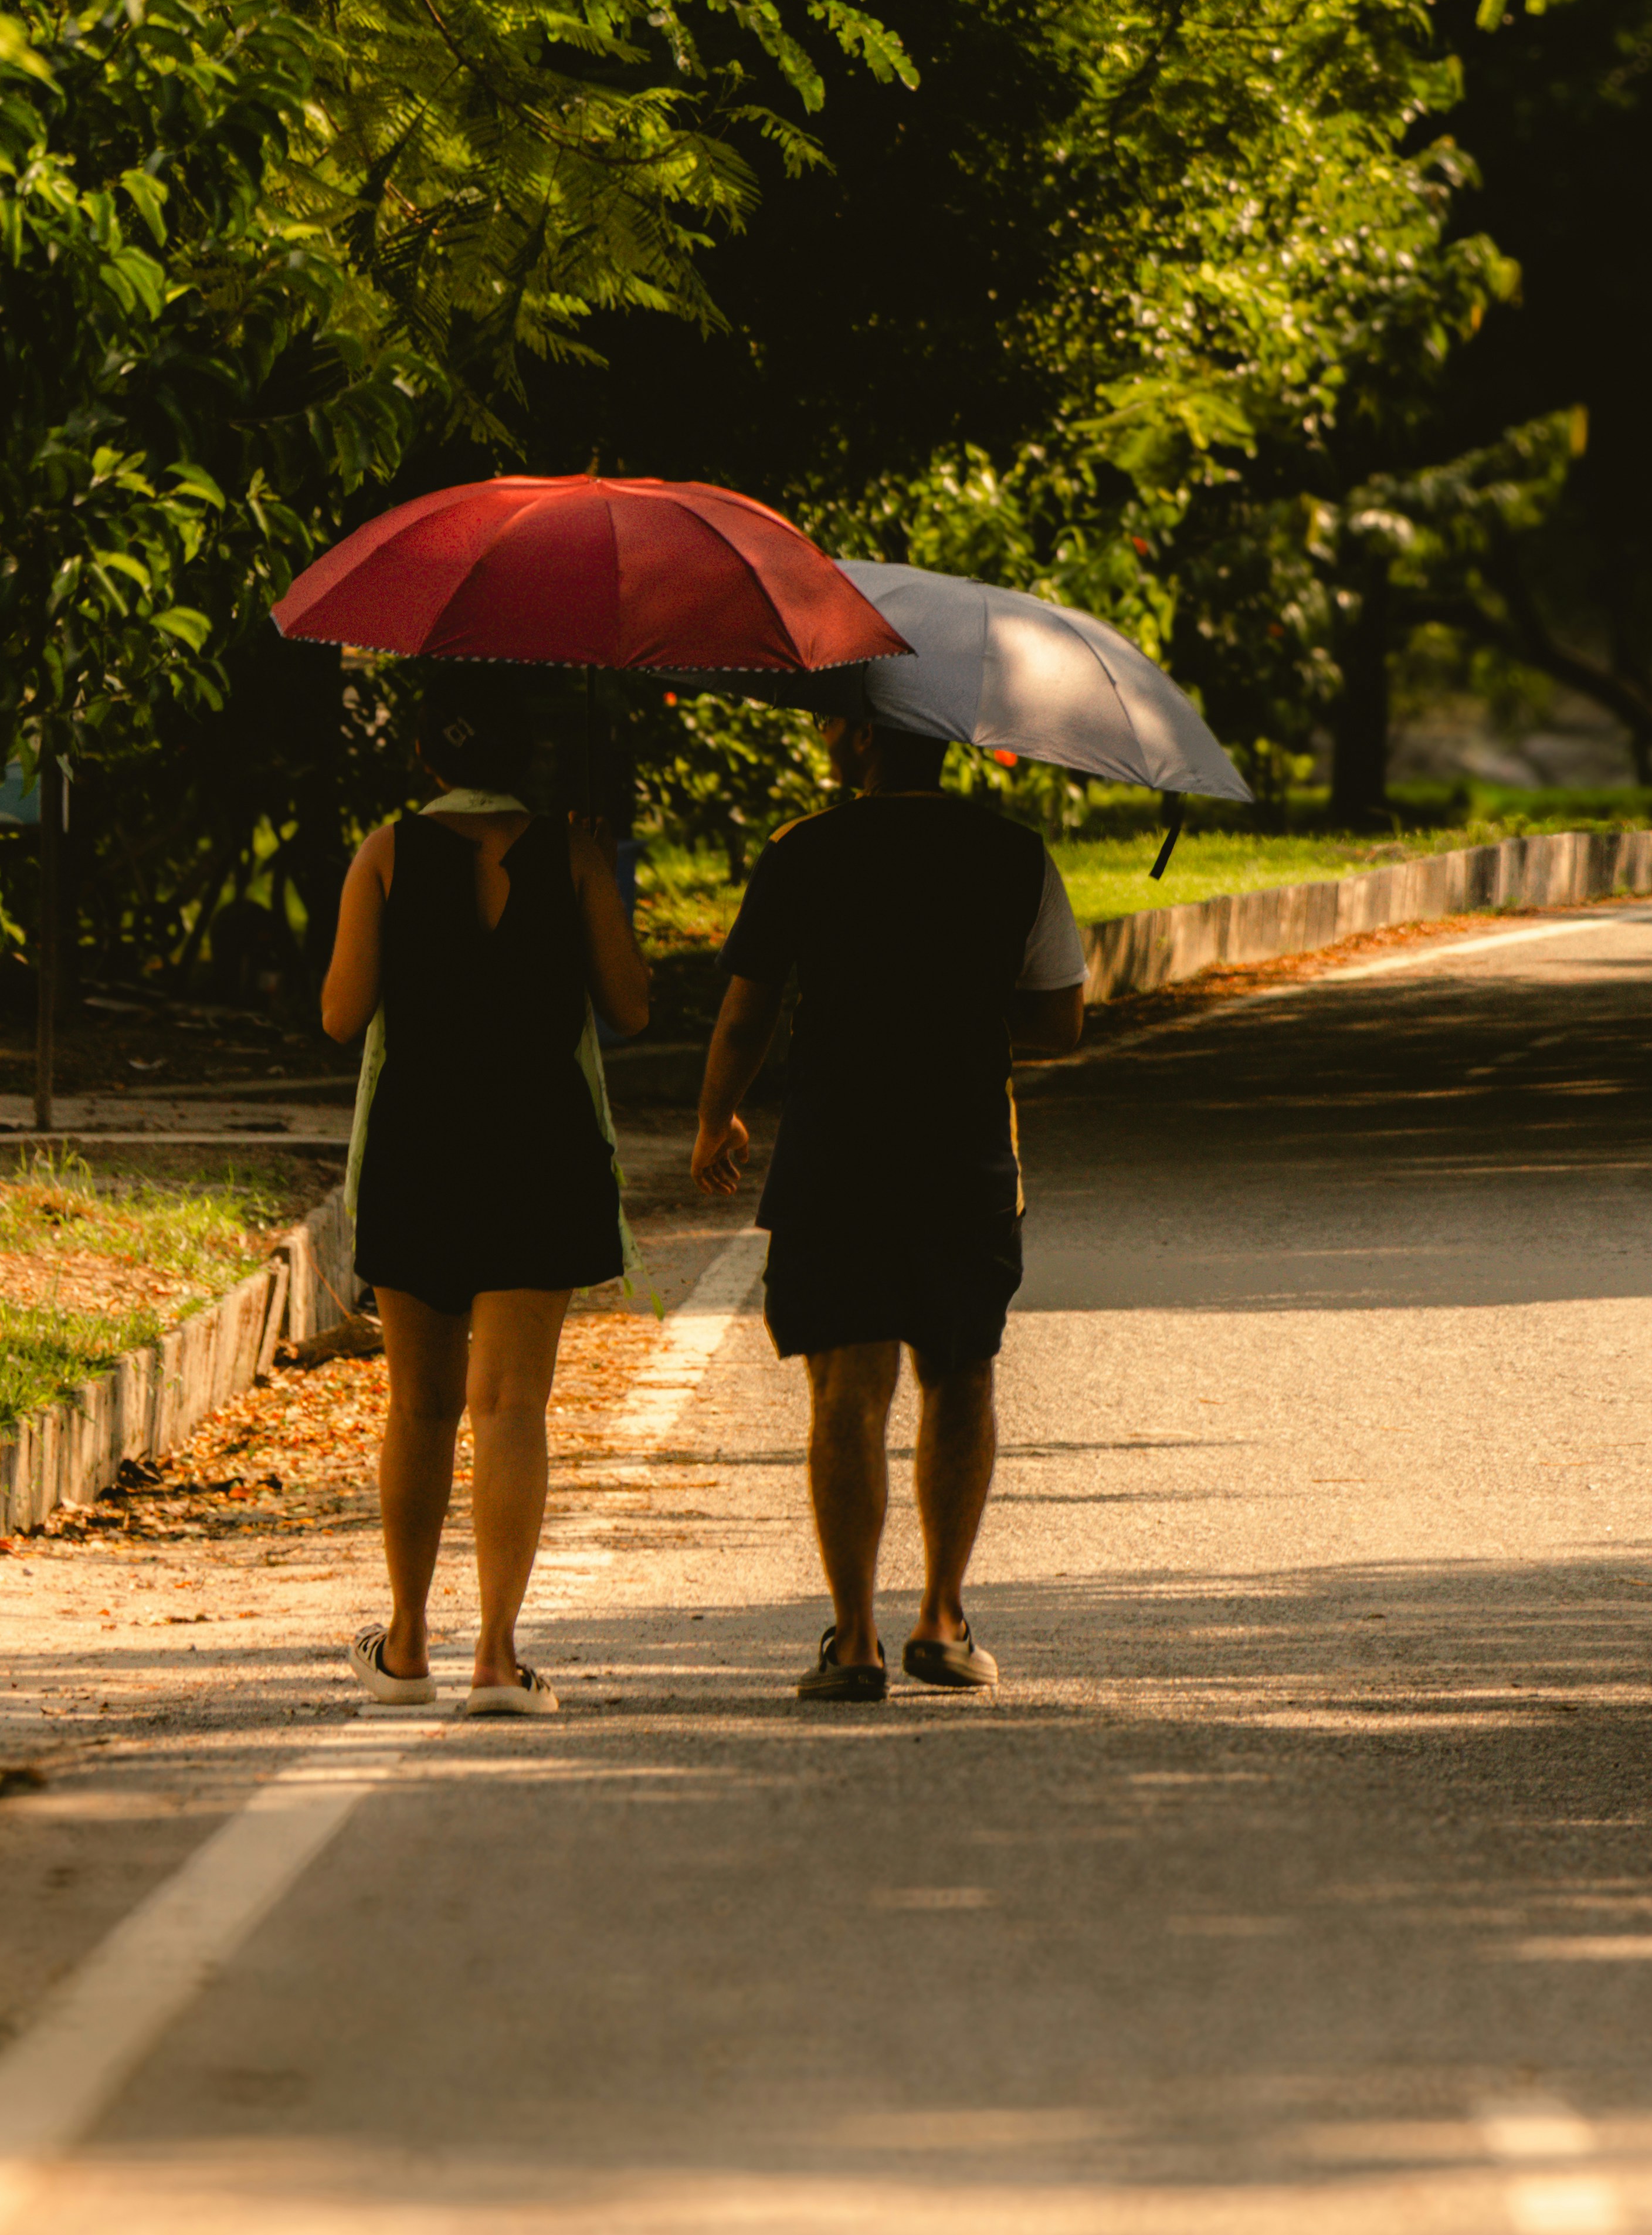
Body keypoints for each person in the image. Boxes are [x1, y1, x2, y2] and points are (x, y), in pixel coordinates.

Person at [692, 714, 1084, 1701]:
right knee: (959, 1374)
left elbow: (746, 1009)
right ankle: (942, 1619)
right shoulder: (1013, 856)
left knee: (846, 1392)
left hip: (837, 1156)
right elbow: (1059, 1023)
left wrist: (716, 1120)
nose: (826, 735)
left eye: (835, 722)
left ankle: (856, 1638)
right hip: (963, 1153)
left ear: (864, 738)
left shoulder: (805, 850)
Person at [321, 665, 649, 1716]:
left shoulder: (386, 852)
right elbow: (631, 1009)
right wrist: (595, 866)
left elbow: (340, 1016)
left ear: (425, 758)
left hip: (421, 1143)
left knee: (417, 1406)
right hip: (539, 1146)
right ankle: (500, 1660)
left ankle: (408, 1644)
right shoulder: (576, 853)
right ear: (527, 759)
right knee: (511, 1406)